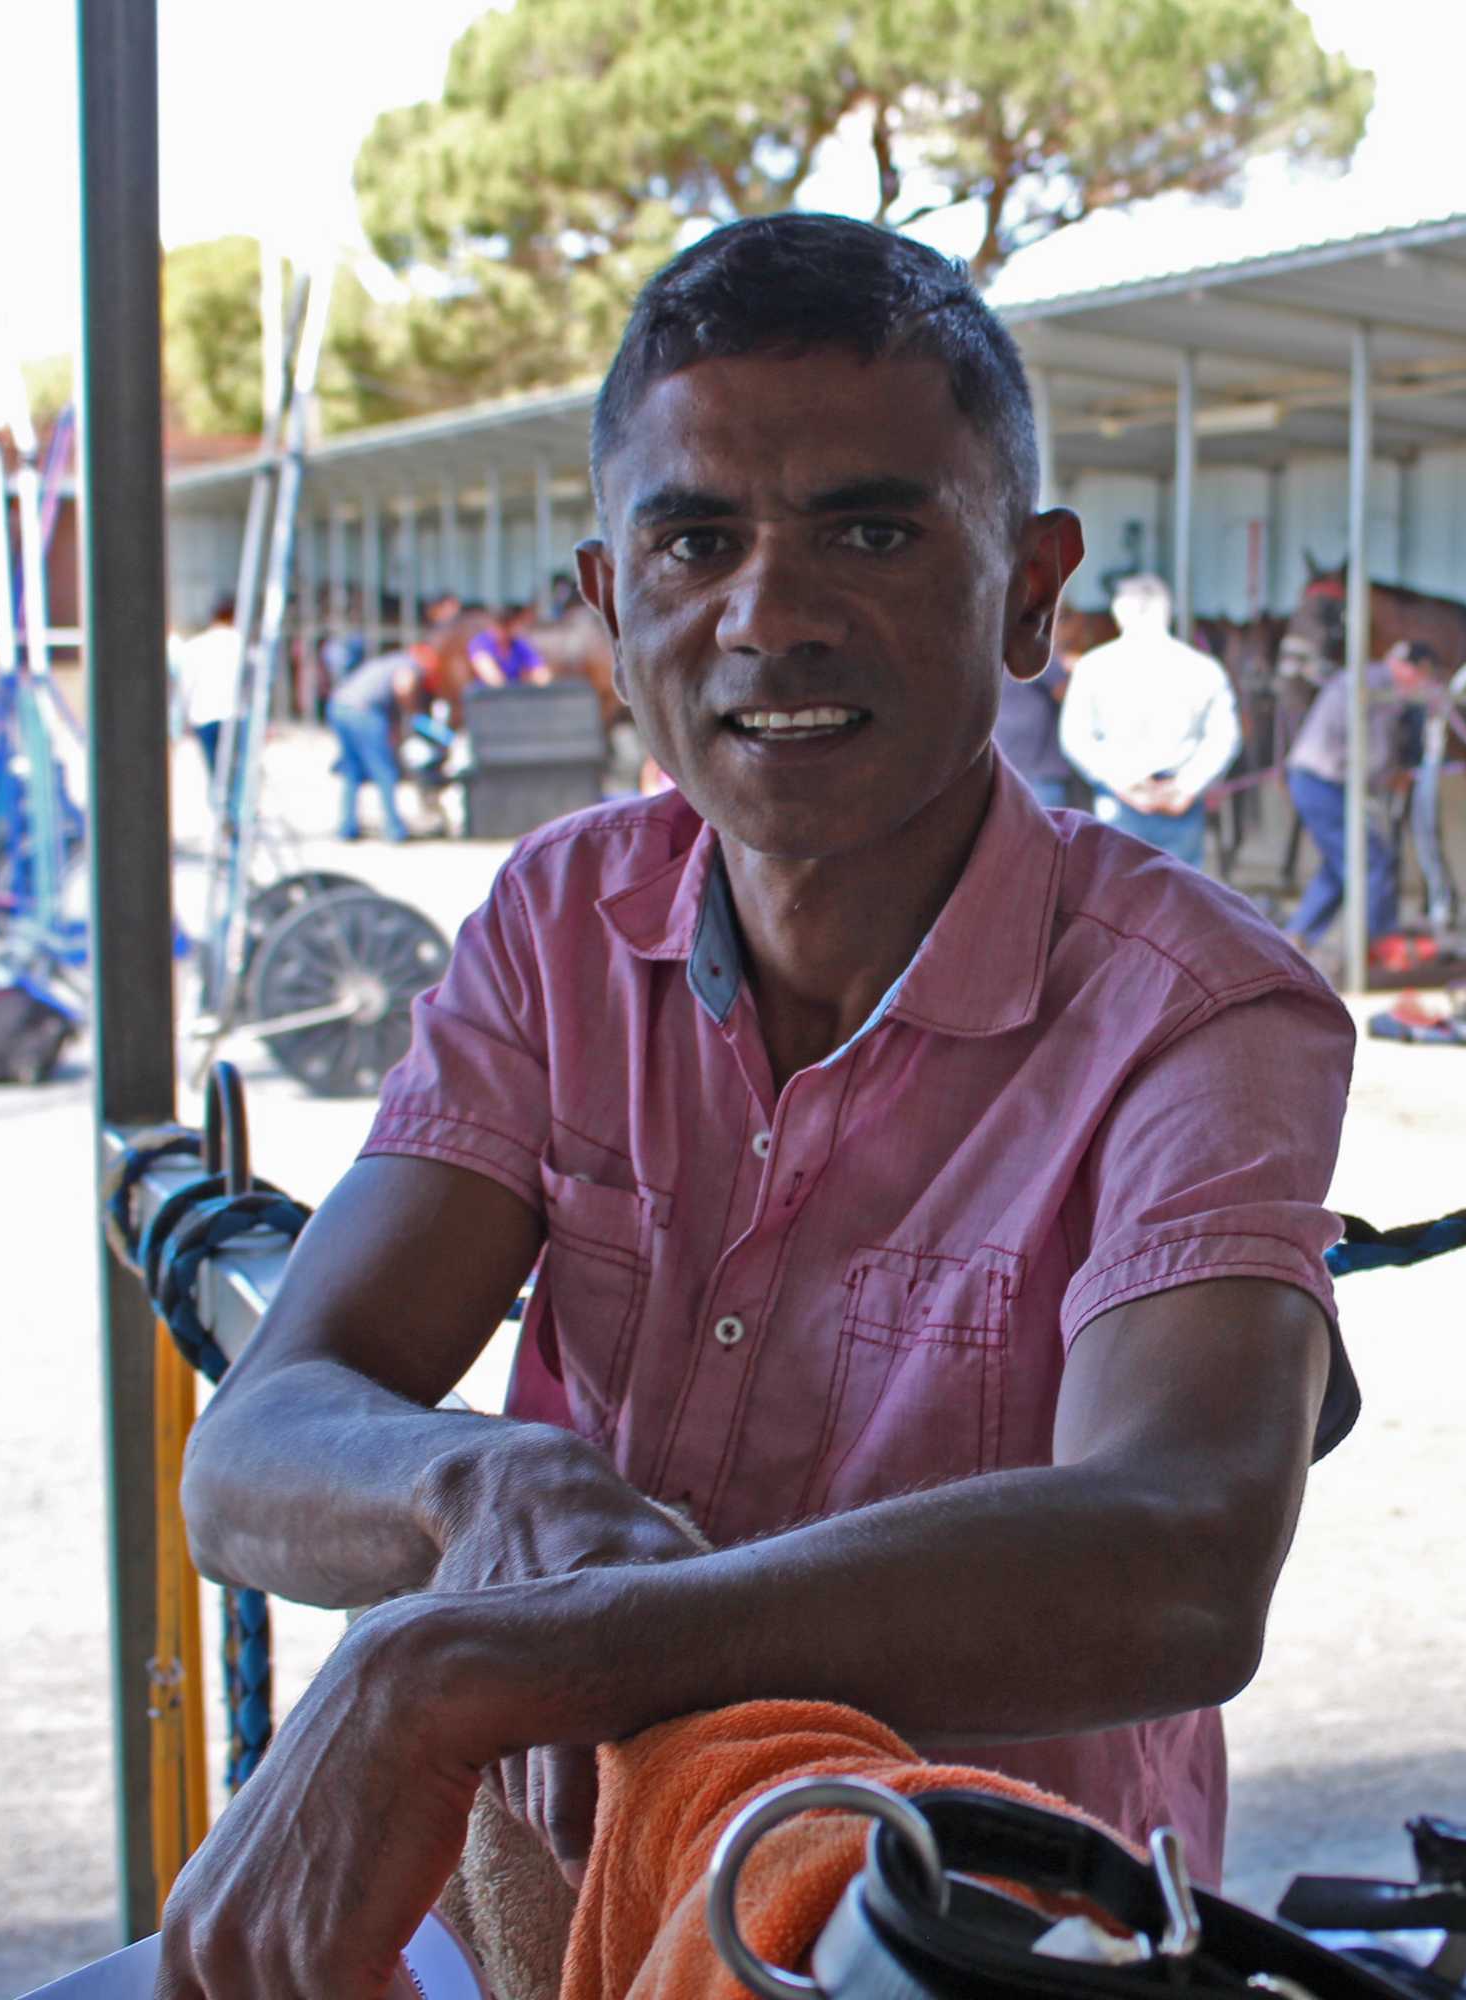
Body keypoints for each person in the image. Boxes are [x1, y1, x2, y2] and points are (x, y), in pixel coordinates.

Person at [152, 212, 1359, 2000]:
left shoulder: (1198, 1007)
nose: (769, 618)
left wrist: (504, 1657)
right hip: (558, 1929)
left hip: (957, 1947)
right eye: (695, 542)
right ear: (608, 605)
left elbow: (1184, 1555)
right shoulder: (561, 922)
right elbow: (257, 1444)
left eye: (871, 533)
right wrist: (491, 1482)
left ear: (1032, 593)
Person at [1055, 574, 1238, 866]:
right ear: (1167, 612)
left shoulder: (1094, 667)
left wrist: (1122, 783)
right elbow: (1224, 737)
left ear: (1119, 613)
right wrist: (1189, 786)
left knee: (1115, 891)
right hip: (1180, 802)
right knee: (1182, 890)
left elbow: (1075, 737)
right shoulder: (1204, 668)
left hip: (1119, 800)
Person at [1283, 640, 1432, 954]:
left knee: (1338, 866)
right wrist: (1393, 775)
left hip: (1314, 779)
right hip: (1323, 782)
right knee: (1371, 860)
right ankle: (1379, 944)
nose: (1421, 685)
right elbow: (1373, 753)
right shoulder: (1379, 689)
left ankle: (1296, 936)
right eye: (1422, 677)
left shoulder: (1368, 677)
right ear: (1411, 669)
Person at [327, 645, 422, 843]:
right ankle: (393, 828)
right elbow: (404, 687)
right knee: (384, 770)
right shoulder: (409, 664)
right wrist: (412, 712)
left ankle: (347, 827)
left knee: (352, 771)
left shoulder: (385, 661)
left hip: (338, 706)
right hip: (364, 712)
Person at [169, 593, 243, 779]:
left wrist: (182, 718)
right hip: (233, 712)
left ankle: (220, 796)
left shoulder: (195, 645)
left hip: (203, 714)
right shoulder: (240, 642)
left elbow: (186, 684)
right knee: (236, 771)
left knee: (215, 772)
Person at [992, 653, 1073, 810]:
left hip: (1037, 774)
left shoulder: (1025, 653)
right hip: (1017, 775)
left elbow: (1066, 692)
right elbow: (1069, 693)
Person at [468, 601, 546, 686]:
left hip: (514, 691)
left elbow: (542, 674)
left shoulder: (519, 644)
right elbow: (492, 679)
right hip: (488, 693)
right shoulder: (481, 643)